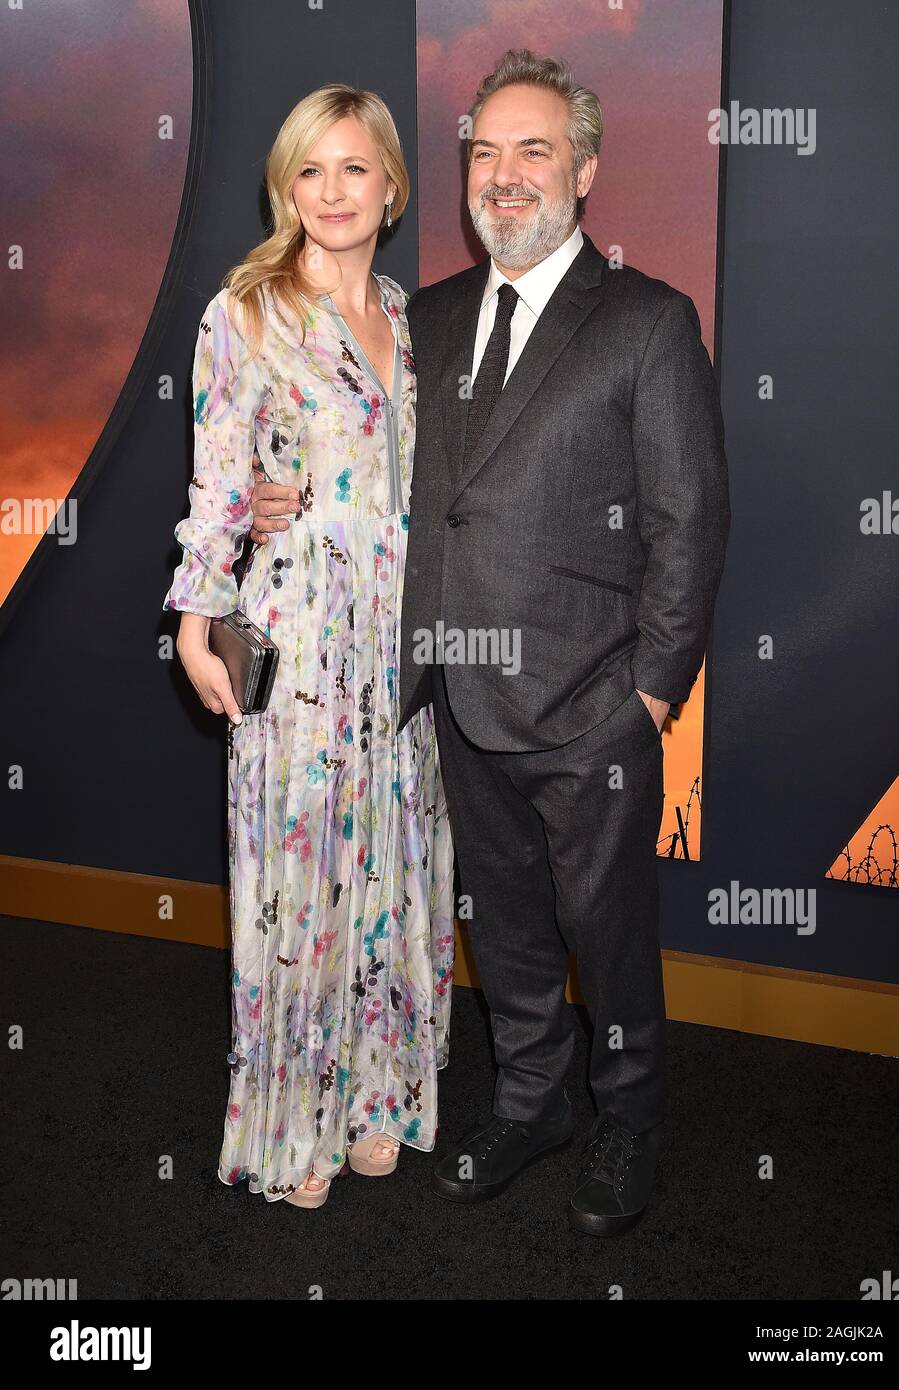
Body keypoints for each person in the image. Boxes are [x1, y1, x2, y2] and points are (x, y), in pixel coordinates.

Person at [251, 48, 731, 1237]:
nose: (504, 177)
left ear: (584, 169)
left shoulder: (648, 321)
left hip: (592, 710)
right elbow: (364, 457)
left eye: (533, 152)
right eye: (484, 153)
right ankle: (531, 1100)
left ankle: (627, 1122)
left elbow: (691, 523)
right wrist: (272, 494)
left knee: (607, 937)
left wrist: (652, 698)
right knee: (505, 930)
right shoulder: (430, 317)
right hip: (454, 700)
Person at [162, 85, 454, 1210]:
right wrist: (197, 617)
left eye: (354, 169)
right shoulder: (245, 312)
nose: (332, 193)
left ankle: (377, 1092)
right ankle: (297, 1123)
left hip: (399, 640)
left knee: (391, 863)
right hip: (297, 631)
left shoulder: (411, 317)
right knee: (301, 877)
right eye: (309, 172)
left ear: (392, 182)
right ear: (286, 189)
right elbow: (217, 482)